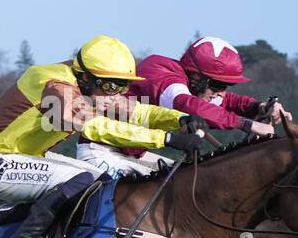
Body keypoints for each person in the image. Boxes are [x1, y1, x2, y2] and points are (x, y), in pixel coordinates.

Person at [0, 34, 208, 238]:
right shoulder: (55, 86)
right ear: (85, 77)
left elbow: (138, 111)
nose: (116, 93)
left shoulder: (89, 83)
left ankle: (17, 213)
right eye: (110, 86)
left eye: (122, 85)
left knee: (102, 181)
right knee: (83, 180)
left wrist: (180, 118)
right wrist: (165, 138)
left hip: (23, 157)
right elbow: (96, 127)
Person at [75, 36, 285, 177]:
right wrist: (247, 125)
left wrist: (257, 106)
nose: (221, 92)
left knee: (190, 184)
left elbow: (226, 101)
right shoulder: (168, 81)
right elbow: (192, 106)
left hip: (133, 155)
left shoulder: (195, 85)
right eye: (219, 85)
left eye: (225, 86)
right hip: (99, 152)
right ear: (196, 77)